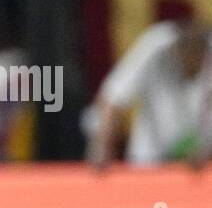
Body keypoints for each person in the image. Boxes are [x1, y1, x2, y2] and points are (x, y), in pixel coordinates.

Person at [86, 20, 212, 168]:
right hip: (150, 160)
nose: (192, 62)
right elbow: (112, 98)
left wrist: (206, 152)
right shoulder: (154, 45)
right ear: (177, 51)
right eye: (188, 55)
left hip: (201, 164)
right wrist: (102, 146)